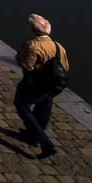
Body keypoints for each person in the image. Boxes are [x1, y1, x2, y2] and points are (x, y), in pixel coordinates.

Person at [15, 14, 68, 158]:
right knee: (44, 108)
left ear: (33, 29)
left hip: (36, 84)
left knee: (22, 106)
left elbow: (25, 65)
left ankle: (46, 143)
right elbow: (65, 66)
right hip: (54, 85)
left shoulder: (33, 45)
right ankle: (33, 137)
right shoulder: (59, 47)